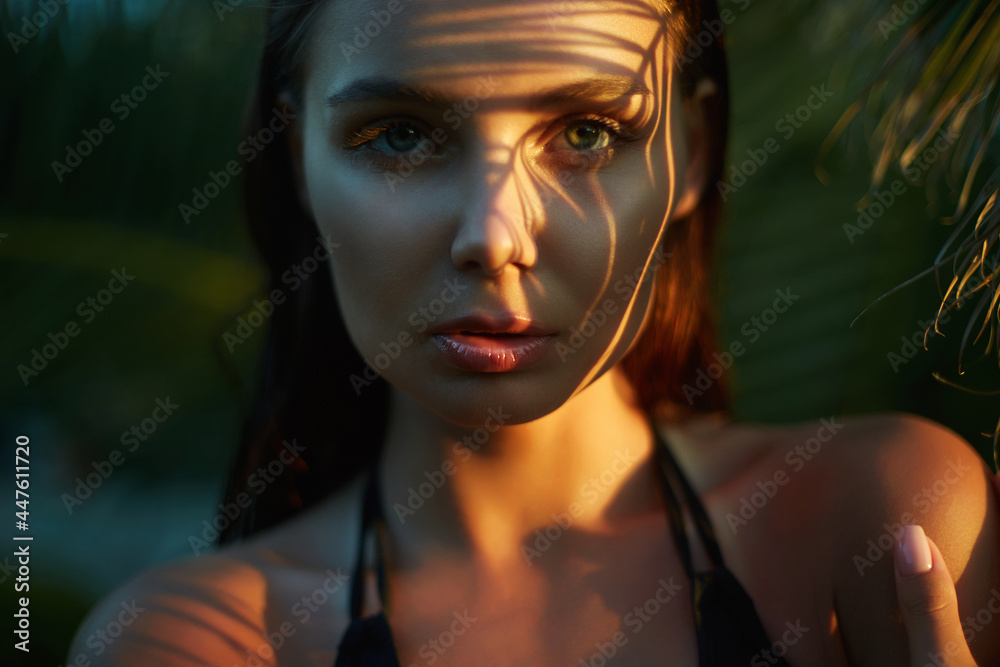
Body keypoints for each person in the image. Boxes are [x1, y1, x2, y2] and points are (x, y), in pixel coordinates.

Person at [69, 0, 1000, 664]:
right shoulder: (200, 640)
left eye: (589, 131)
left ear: (692, 151)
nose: (494, 236)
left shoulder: (884, 526)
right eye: (398, 134)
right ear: (297, 159)